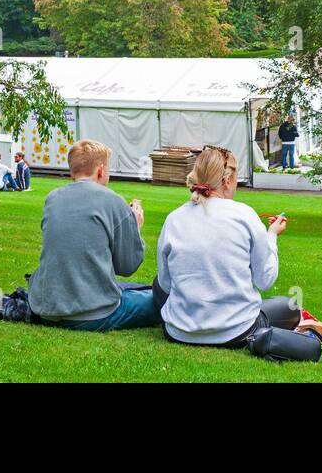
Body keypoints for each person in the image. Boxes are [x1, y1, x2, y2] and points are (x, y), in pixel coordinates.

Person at [155, 145, 301, 351]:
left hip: (179, 330)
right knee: (289, 306)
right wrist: (272, 236)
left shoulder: (174, 218)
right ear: (227, 181)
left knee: (156, 284)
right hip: (235, 331)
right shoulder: (244, 214)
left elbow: (165, 283)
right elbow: (265, 279)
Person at [27, 140, 160, 331]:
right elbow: (127, 265)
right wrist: (135, 228)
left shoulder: (53, 198)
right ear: (100, 170)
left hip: (47, 309)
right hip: (94, 312)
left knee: (132, 289)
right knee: (161, 300)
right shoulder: (113, 200)